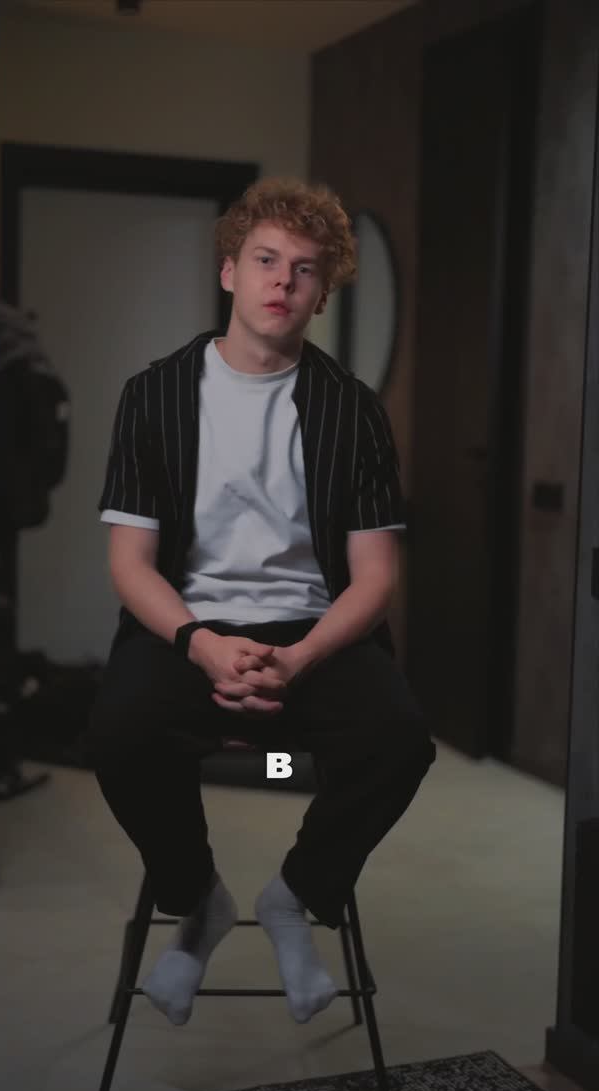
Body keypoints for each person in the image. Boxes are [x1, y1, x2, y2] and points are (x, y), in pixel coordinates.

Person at [87, 177, 436, 1029]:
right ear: (230, 272)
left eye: (305, 269)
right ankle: (196, 900)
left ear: (323, 294)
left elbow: (375, 577)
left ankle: (296, 894)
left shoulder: (353, 411)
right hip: (186, 627)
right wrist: (203, 645)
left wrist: (300, 657)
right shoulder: (154, 395)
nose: (283, 280)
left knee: (396, 744)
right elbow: (130, 565)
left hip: (315, 634)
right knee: (122, 737)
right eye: (266, 260)